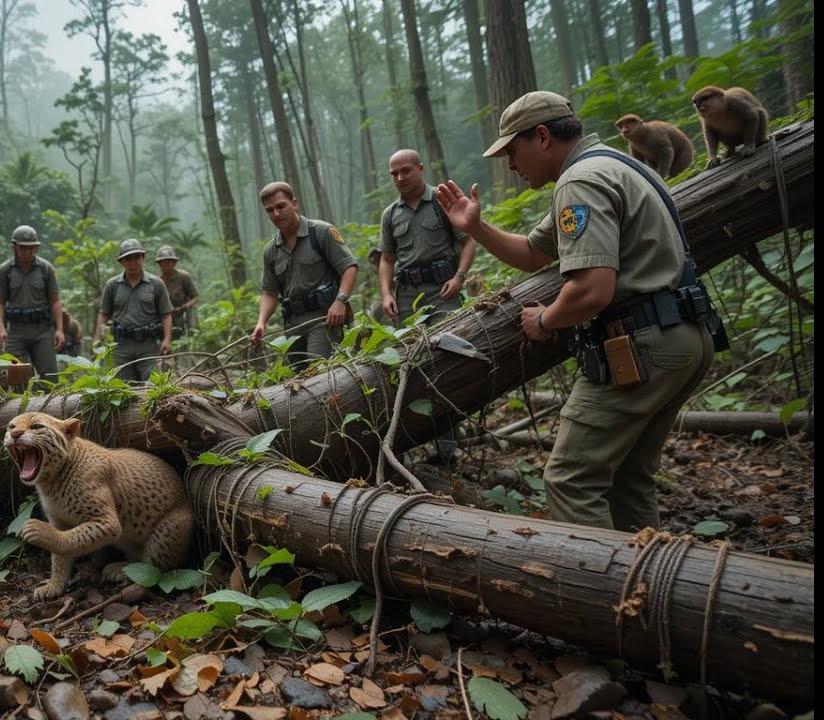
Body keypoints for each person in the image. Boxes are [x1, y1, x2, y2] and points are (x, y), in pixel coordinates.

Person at [435, 91, 715, 531]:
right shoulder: (619, 165)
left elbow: (591, 290)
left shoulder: (579, 182)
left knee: (570, 479)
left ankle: (600, 576)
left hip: (642, 347)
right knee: (627, 478)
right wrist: (475, 227)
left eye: (513, 151)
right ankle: (643, 573)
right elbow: (533, 253)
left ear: (542, 137)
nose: (510, 164)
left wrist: (545, 319)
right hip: (685, 334)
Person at [250, 181, 358, 370]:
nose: (276, 214)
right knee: (299, 378)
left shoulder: (321, 232)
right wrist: (261, 322)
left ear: (294, 203)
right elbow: (270, 293)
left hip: (323, 318)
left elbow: (349, 267)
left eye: (280, 206)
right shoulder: (271, 251)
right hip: (293, 324)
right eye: (269, 210)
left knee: (320, 372)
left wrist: (340, 301)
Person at [379, 150, 475, 326]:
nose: (400, 178)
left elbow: (467, 243)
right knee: (412, 341)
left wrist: (459, 277)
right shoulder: (390, 214)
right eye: (394, 174)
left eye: (406, 171)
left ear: (420, 168)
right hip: (407, 296)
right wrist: (386, 294)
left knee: (449, 336)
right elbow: (387, 259)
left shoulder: (443, 200)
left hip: (443, 290)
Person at [0, 225, 65, 382]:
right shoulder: (5, 270)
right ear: (14, 247)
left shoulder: (46, 269)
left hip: (42, 330)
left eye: (31, 248)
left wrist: (60, 330)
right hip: (16, 331)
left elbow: (55, 301)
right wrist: (1, 328)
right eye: (23, 248)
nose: (27, 252)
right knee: (12, 377)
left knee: (50, 378)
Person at [96, 239, 174, 383]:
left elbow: (166, 314)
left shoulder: (156, 284)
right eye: (128, 259)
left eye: (136, 257)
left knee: (154, 385)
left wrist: (167, 340)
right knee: (120, 387)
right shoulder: (112, 285)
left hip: (149, 346)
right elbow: (104, 314)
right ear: (121, 262)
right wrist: (97, 340)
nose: (133, 263)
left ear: (143, 258)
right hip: (120, 346)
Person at [153, 243, 200, 341]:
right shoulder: (157, 282)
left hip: (184, 311)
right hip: (167, 314)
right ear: (160, 264)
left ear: (174, 263)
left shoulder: (183, 276)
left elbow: (196, 297)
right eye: (164, 262)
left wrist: (184, 307)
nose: (166, 264)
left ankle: (194, 338)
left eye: (169, 261)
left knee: (192, 316)